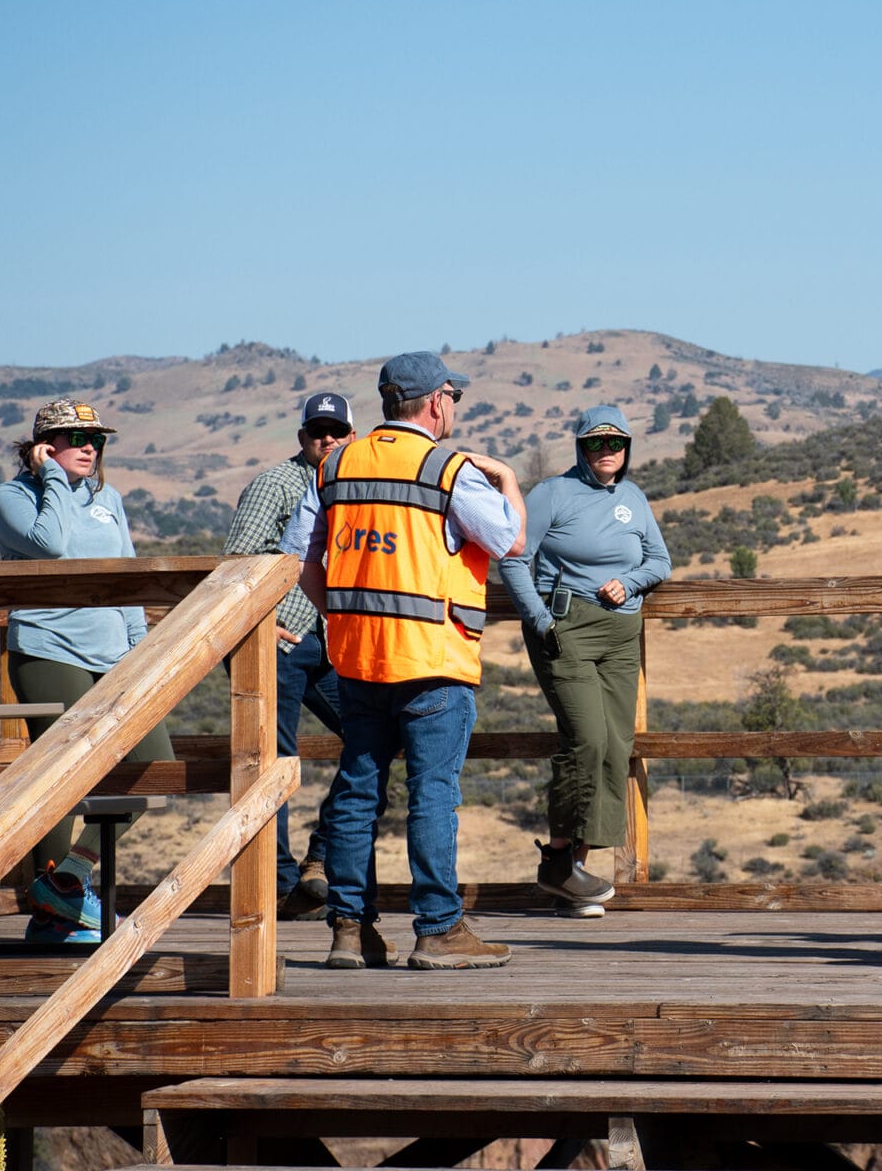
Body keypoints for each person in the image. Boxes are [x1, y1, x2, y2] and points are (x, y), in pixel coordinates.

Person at [293, 351, 526, 970]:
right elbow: (511, 540)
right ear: (437, 402)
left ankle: (350, 931)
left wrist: (339, 612)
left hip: (357, 659)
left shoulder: (335, 464)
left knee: (357, 791)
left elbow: (301, 560)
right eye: (454, 397)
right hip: (433, 660)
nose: (454, 408)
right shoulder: (448, 469)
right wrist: (507, 480)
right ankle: (439, 929)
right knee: (432, 794)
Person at [0, 399, 173, 943]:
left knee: (154, 766)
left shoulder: (107, 498)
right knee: (64, 775)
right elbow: (49, 545)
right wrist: (51, 478)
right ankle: (55, 915)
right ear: (43, 446)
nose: (90, 448)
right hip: (49, 650)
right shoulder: (11, 496)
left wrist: (141, 652)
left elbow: (127, 576)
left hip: (114, 655)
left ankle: (67, 879)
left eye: (97, 440)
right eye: (75, 438)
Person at [496, 406, 671, 920]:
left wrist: (630, 582)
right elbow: (513, 558)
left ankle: (575, 877)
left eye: (616, 443)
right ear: (580, 447)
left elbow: (660, 561)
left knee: (616, 746)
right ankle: (557, 863)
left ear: (627, 448)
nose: (606, 451)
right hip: (565, 628)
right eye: (596, 443)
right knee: (587, 740)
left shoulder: (633, 498)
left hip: (622, 635)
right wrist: (539, 619)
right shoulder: (552, 494)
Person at [223, 391, 357, 921]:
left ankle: (320, 857)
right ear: (302, 437)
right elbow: (238, 561)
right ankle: (279, 887)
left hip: (332, 638)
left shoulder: (355, 484)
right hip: (276, 639)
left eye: (336, 431)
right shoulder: (275, 484)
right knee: (271, 760)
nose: (327, 439)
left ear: (352, 435)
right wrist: (260, 623)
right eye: (317, 431)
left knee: (374, 735)